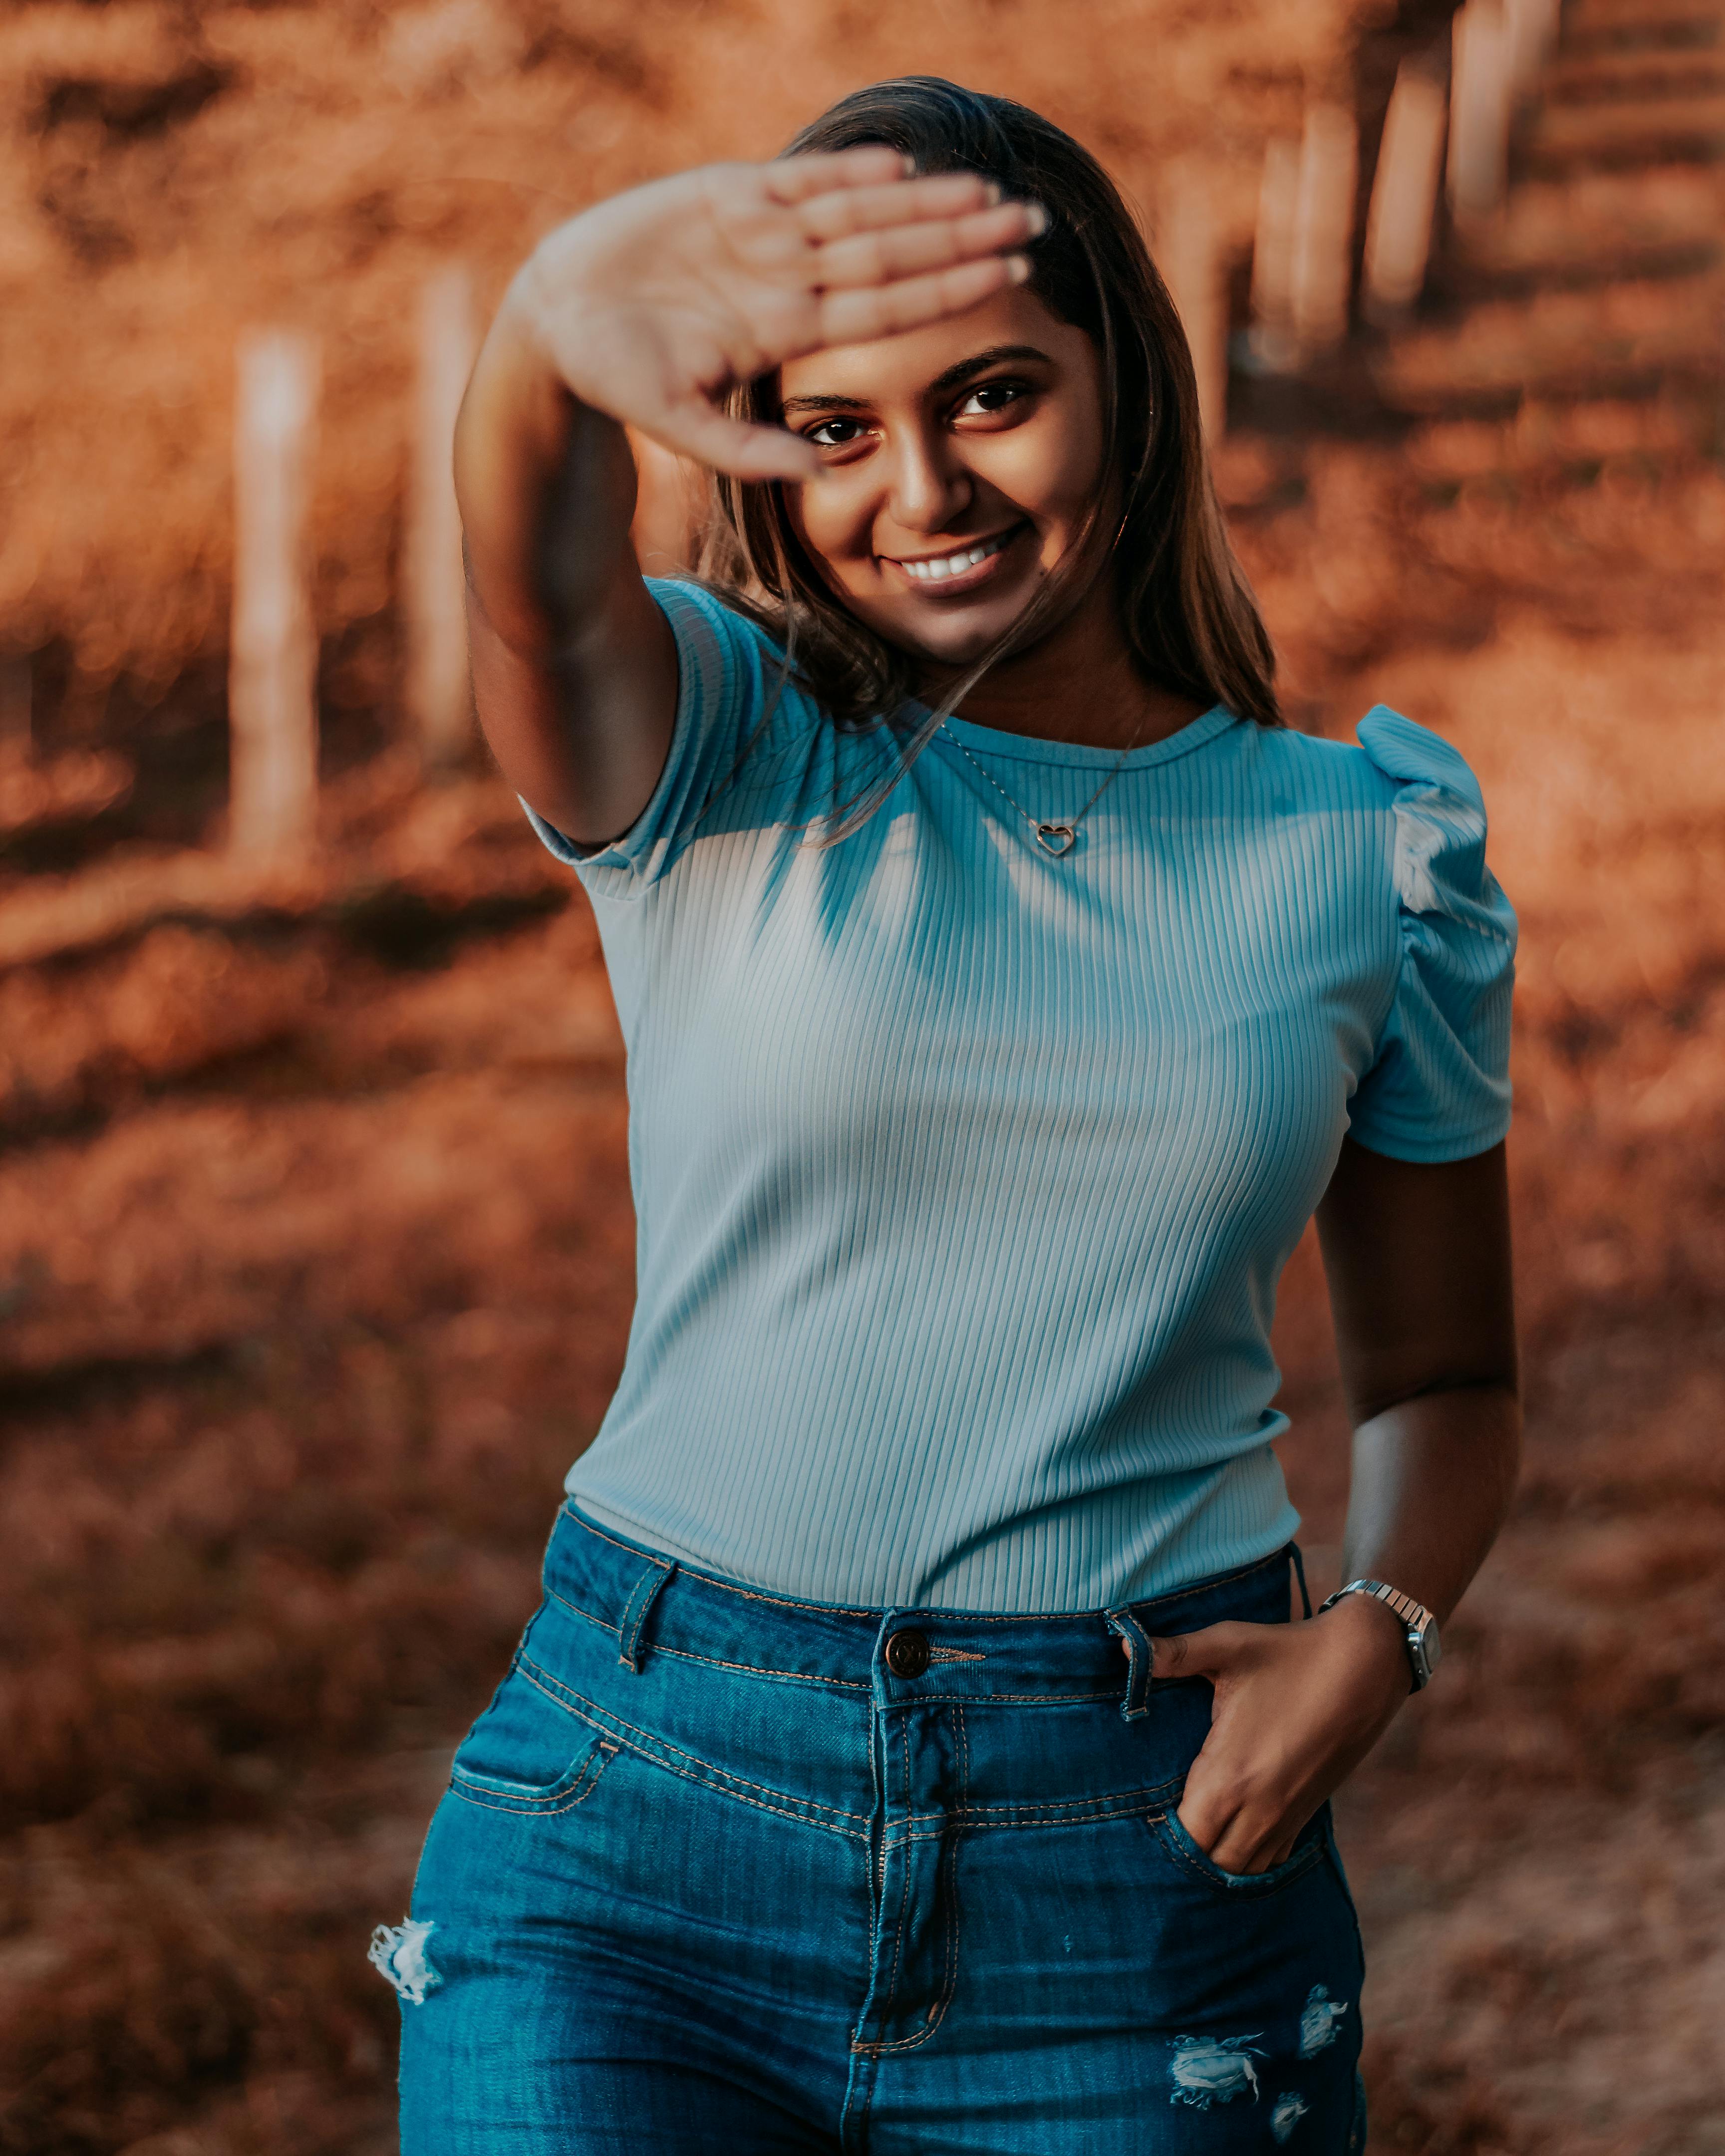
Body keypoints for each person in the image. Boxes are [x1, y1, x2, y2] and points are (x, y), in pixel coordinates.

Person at [372, 76, 1520, 2155]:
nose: (923, 487)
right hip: (637, 1839)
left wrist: (1384, 1634)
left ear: (1127, 385)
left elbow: (1447, 1375)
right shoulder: (721, 748)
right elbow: (537, 590)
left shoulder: (1370, 851)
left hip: (1136, 1872)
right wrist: (550, 334)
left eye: (994, 396)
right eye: (836, 429)